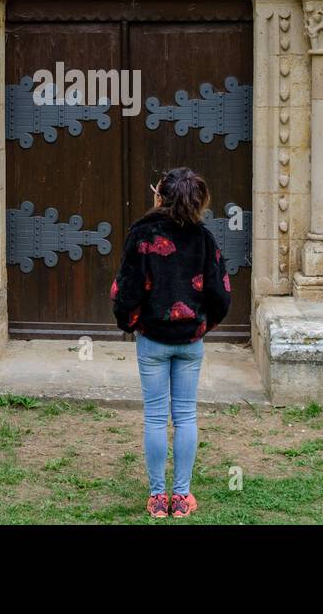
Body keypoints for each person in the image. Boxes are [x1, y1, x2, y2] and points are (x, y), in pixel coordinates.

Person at [109, 167, 232, 519]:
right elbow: (221, 293)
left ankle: (157, 498)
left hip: (153, 342)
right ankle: (181, 497)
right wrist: (201, 325)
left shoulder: (141, 235)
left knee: (156, 417)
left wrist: (132, 323)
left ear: (160, 197)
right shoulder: (204, 239)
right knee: (186, 416)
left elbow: (125, 290)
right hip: (190, 341)